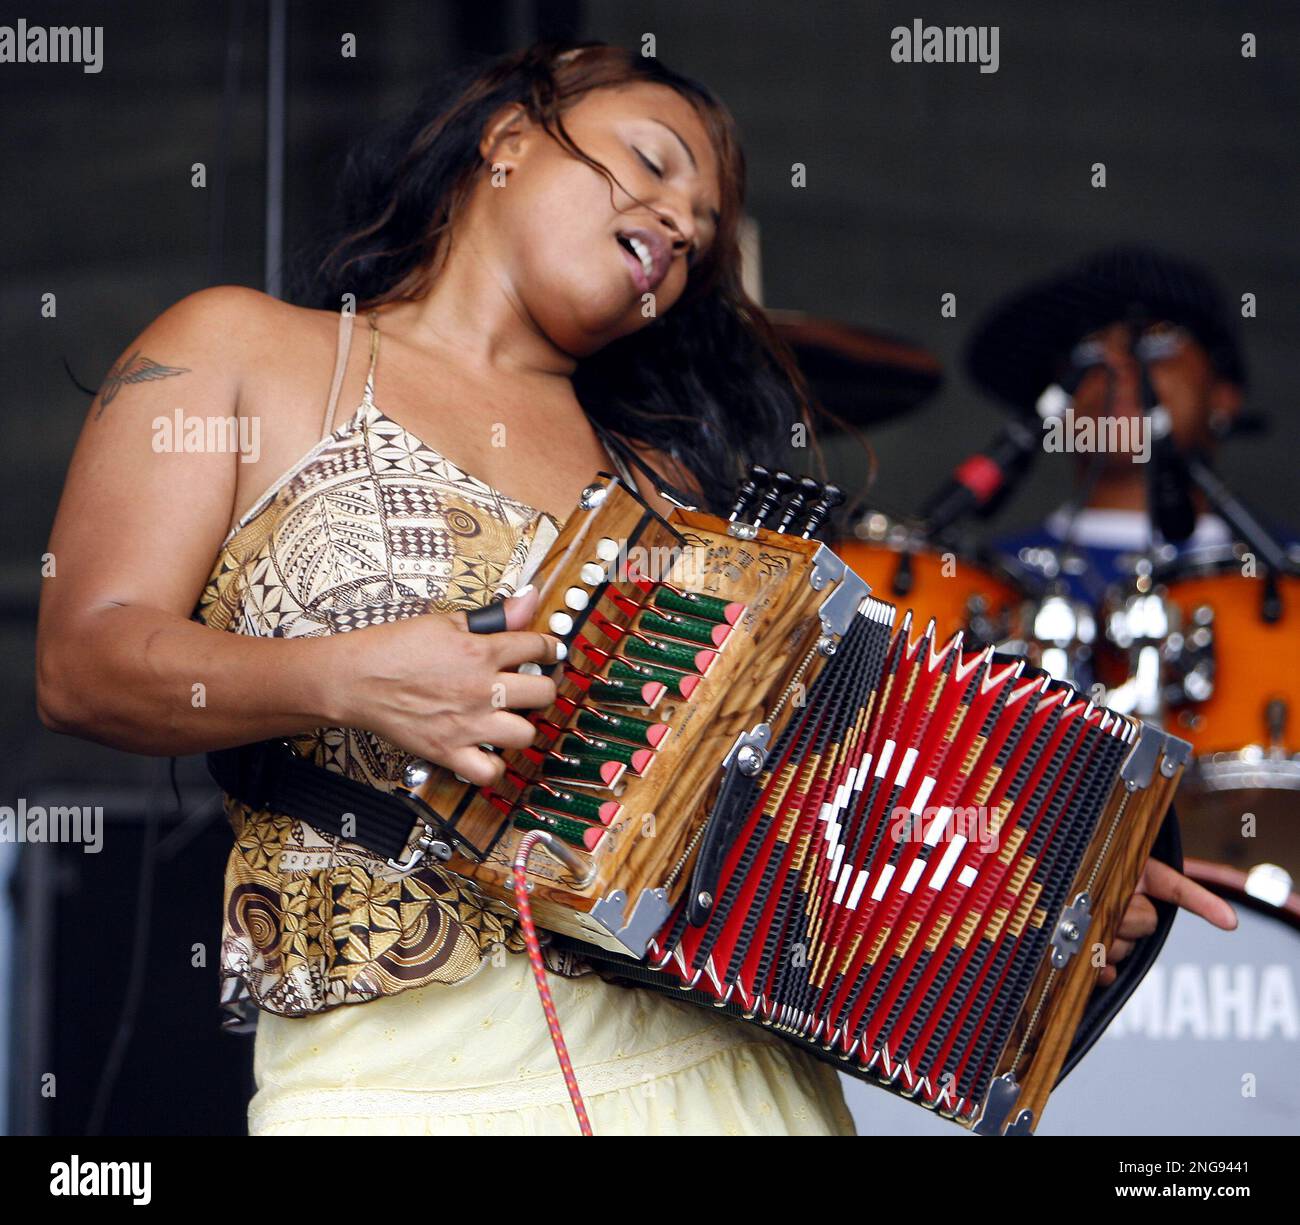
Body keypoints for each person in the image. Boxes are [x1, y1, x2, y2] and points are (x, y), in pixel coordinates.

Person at [36, 48, 1230, 1136]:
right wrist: (349, 678)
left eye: (701, 232)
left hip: (730, 1079)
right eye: (652, 164)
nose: (677, 222)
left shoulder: (667, 492)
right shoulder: (242, 347)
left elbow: (809, 832)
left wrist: (1051, 891)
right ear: (507, 138)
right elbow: (83, 663)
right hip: (403, 1071)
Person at [967, 246, 1269, 605]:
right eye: (1087, 349)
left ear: (1223, 395)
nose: (1117, 366)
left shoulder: (1285, 579)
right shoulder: (986, 589)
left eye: (1155, 338)